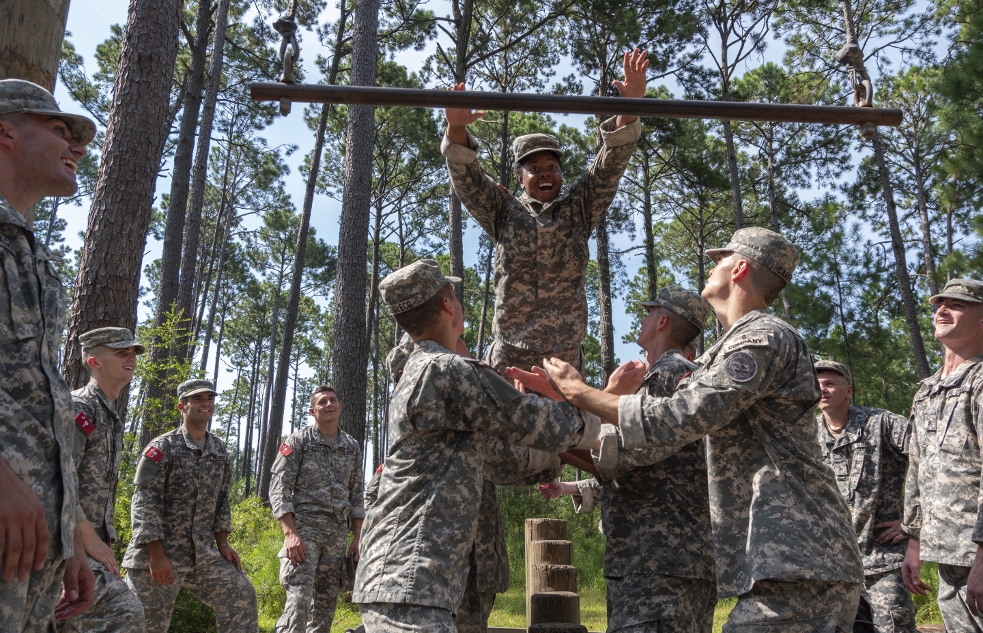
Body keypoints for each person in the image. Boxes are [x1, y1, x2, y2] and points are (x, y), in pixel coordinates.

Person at [543, 227, 864, 632]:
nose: (711, 269)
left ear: (740, 267)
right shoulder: (723, 351)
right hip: (780, 561)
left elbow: (678, 415)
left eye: (720, 260)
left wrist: (579, 392)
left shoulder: (764, 338)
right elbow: (656, 429)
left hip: (801, 557)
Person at [352, 259, 599, 633]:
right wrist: (593, 397)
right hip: (412, 579)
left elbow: (505, 458)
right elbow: (550, 427)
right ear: (448, 305)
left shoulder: (425, 370)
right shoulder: (448, 369)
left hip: (409, 578)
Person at [442, 49, 648, 374]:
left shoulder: (579, 208)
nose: (546, 173)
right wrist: (456, 128)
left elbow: (610, 165)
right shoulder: (503, 210)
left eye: (552, 166)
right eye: (535, 168)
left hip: (563, 354)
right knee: (503, 425)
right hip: (510, 350)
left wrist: (631, 108)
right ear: (520, 177)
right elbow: (467, 179)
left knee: (566, 425)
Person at [527, 286, 718, 633]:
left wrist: (548, 418)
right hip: (658, 561)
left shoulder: (668, 375)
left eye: (648, 313)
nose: (641, 319)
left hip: (659, 563)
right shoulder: (662, 376)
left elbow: (608, 457)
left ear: (662, 322)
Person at [379, 331, 562, 633]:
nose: (465, 352)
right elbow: (506, 459)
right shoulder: (439, 405)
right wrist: (551, 438)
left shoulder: (456, 401)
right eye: (456, 344)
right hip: (431, 567)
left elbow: (507, 467)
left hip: (473, 560)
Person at [0, 78, 96, 632]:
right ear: (5, 131)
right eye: (59, 130)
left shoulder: (33, 256)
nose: (77, 148)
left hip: (37, 544)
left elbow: (42, 406)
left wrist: (70, 538)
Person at [901, 279, 983, 631]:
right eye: (939, 304)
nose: (941, 310)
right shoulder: (927, 391)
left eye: (957, 305)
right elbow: (917, 470)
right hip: (947, 558)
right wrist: (914, 541)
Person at [123, 379, 258, 633]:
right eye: (197, 399)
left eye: (209, 398)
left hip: (202, 555)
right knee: (146, 626)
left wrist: (223, 544)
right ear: (181, 406)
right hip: (159, 556)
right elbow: (144, 501)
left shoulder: (218, 449)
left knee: (240, 593)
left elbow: (222, 499)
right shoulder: (162, 448)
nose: (205, 403)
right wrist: (156, 553)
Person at [814, 359, 916, 633]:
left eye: (830, 384)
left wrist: (912, 520)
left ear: (848, 390)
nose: (822, 390)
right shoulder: (806, 435)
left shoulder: (882, 423)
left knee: (894, 628)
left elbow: (933, 464)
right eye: (817, 384)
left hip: (883, 561)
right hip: (831, 567)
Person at [59, 328, 147, 633]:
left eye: (134, 353)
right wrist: (88, 539)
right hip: (64, 543)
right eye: (121, 352)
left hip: (89, 544)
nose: (132, 358)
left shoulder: (110, 416)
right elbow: (60, 479)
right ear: (94, 361)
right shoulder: (79, 408)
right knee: (124, 613)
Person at [270, 384, 365, 633]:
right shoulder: (299, 442)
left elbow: (356, 494)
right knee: (299, 600)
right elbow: (279, 487)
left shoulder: (351, 446)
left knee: (325, 605)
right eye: (322, 402)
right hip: (305, 532)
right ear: (313, 411)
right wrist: (290, 534)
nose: (329, 405)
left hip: (336, 534)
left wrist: (358, 537)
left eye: (333, 400)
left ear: (340, 407)